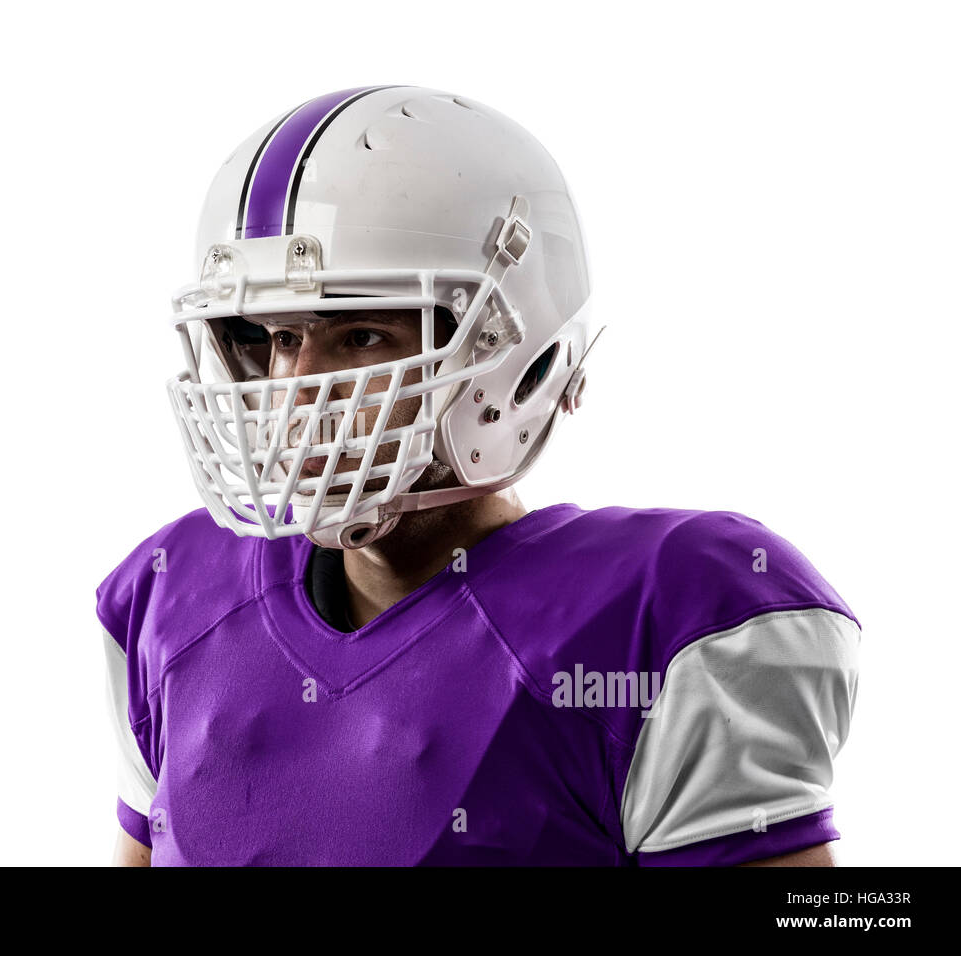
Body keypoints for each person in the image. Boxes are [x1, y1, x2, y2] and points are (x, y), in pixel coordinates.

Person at [98, 85, 860, 866]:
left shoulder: (667, 612)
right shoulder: (173, 598)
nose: (299, 393)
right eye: (278, 337)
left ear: (511, 356)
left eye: (361, 335)